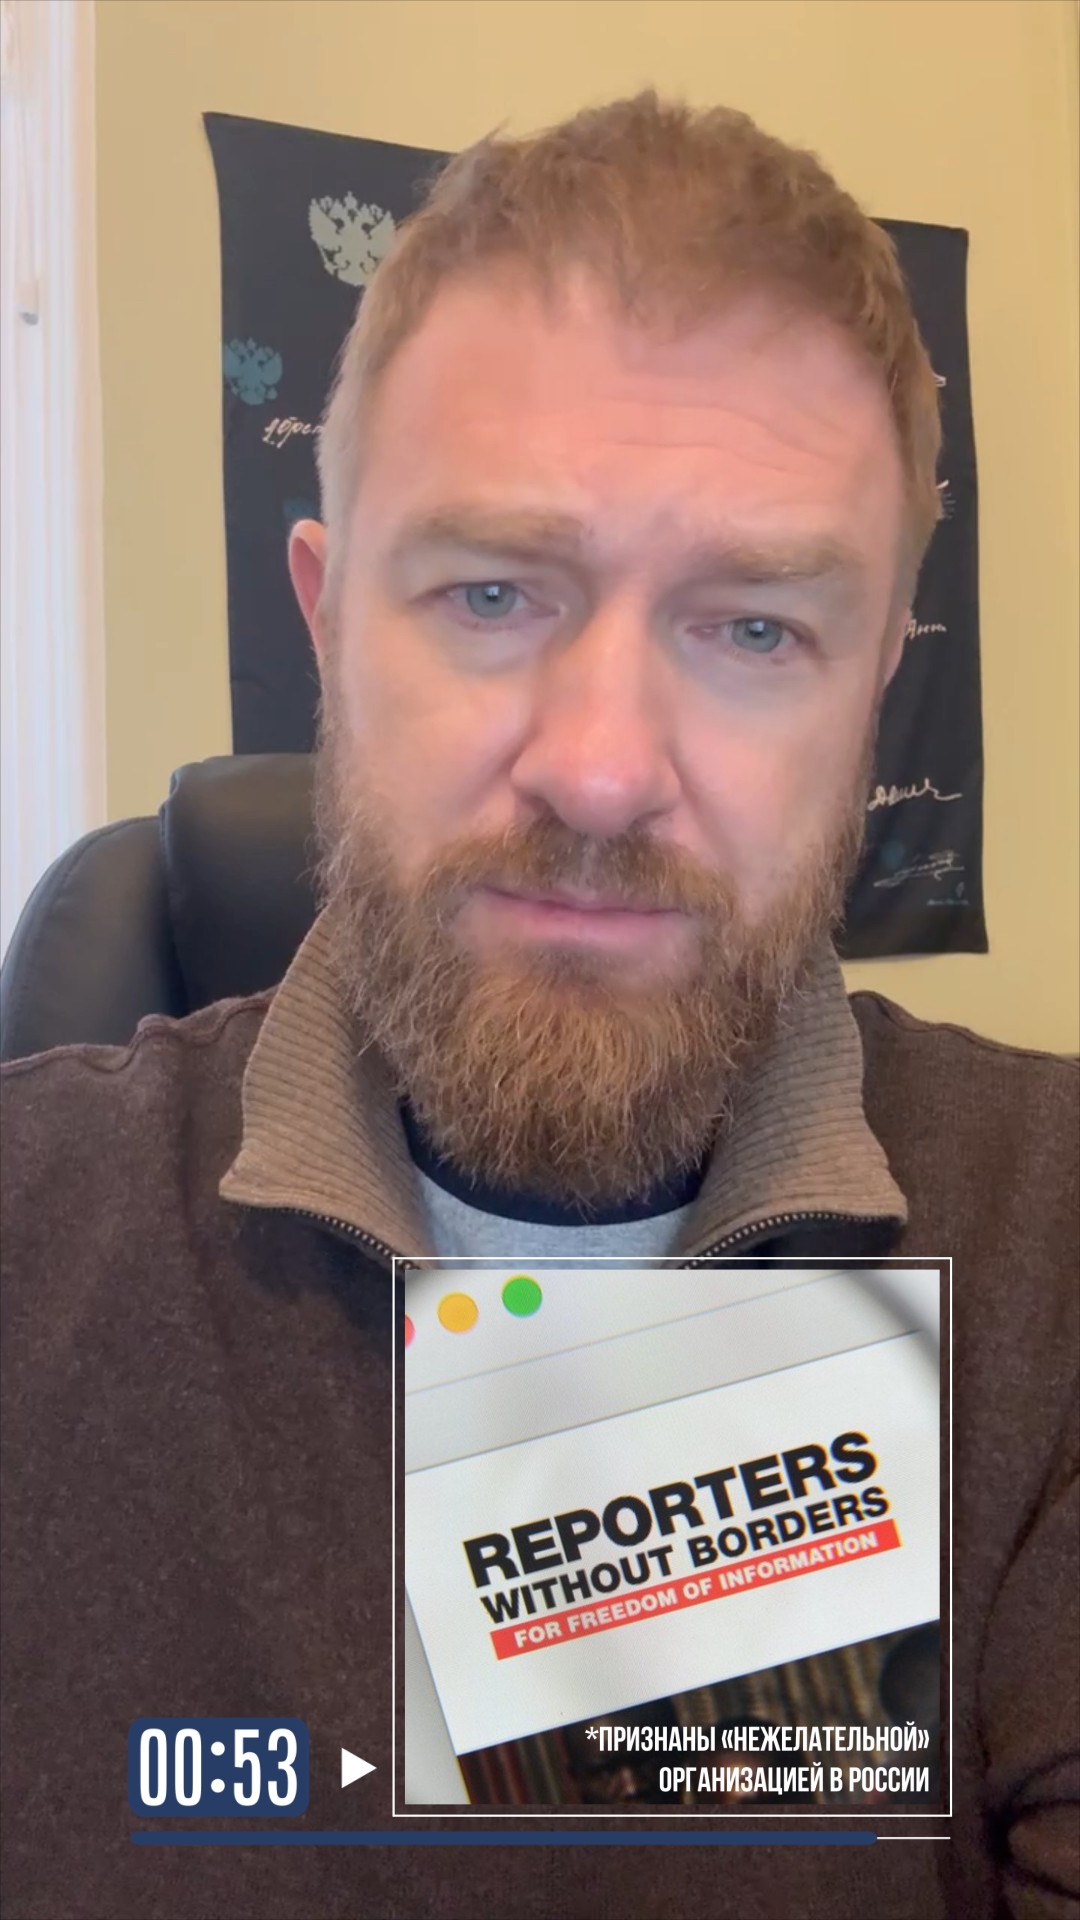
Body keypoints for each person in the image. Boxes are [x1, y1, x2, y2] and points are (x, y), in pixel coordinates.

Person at [1, 92, 1076, 1920]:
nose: (598, 768)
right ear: (327, 624)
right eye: (492, 592)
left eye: (754, 628)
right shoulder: (28, 1239)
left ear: (875, 685)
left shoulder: (1060, 1255)